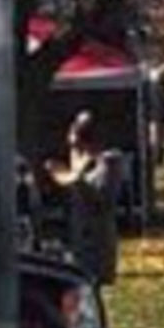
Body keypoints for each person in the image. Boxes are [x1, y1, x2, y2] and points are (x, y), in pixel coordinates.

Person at [45, 114, 122, 286]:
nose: (75, 149)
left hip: (97, 238)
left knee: (93, 286)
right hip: (78, 235)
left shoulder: (109, 162)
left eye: (78, 143)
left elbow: (102, 200)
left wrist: (73, 180)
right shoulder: (78, 157)